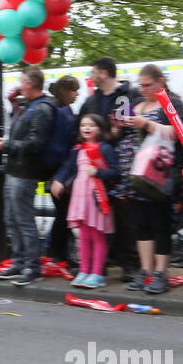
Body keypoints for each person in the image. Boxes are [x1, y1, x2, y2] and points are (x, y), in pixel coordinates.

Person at [120, 64, 183, 295]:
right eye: (140, 85)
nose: (143, 89)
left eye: (147, 85)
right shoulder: (138, 104)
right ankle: (146, 271)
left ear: (160, 81)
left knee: (160, 224)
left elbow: (180, 133)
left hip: (161, 174)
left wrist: (147, 124)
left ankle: (161, 273)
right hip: (136, 173)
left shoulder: (172, 103)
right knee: (141, 224)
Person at [80, 56, 140, 275]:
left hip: (121, 163)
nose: (91, 76)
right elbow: (83, 125)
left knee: (125, 215)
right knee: (99, 213)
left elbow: (125, 129)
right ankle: (101, 262)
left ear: (103, 73)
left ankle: (129, 264)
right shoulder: (92, 100)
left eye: (93, 72)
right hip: (96, 162)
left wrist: (114, 133)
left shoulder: (126, 96)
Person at [0, 66, 51, 286]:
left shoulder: (42, 108)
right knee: (11, 219)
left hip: (25, 173)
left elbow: (37, 144)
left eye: (22, 81)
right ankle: (18, 262)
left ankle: (32, 266)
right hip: (14, 170)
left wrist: (7, 145)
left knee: (24, 220)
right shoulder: (28, 107)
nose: (18, 85)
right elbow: (19, 130)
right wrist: (14, 106)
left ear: (31, 83)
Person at [50, 113, 119, 288]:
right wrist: (58, 180)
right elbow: (68, 168)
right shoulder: (78, 149)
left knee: (97, 236)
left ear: (100, 129)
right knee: (84, 236)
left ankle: (97, 273)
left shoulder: (105, 148)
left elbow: (115, 173)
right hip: (81, 199)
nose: (86, 128)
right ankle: (84, 271)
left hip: (97, 198)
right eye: (83, 125)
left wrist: (98, 173)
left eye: (91, 125)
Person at [42, 75, 80, 270]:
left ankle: (58, 252)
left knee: (63, 214)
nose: (77, 94)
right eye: (74, 90)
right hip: (61, 172)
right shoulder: (63, 112)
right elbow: (63, 145)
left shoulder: (60, 109)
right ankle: (59, 253)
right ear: (66, 91)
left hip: (55, 171)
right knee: (64, 215)